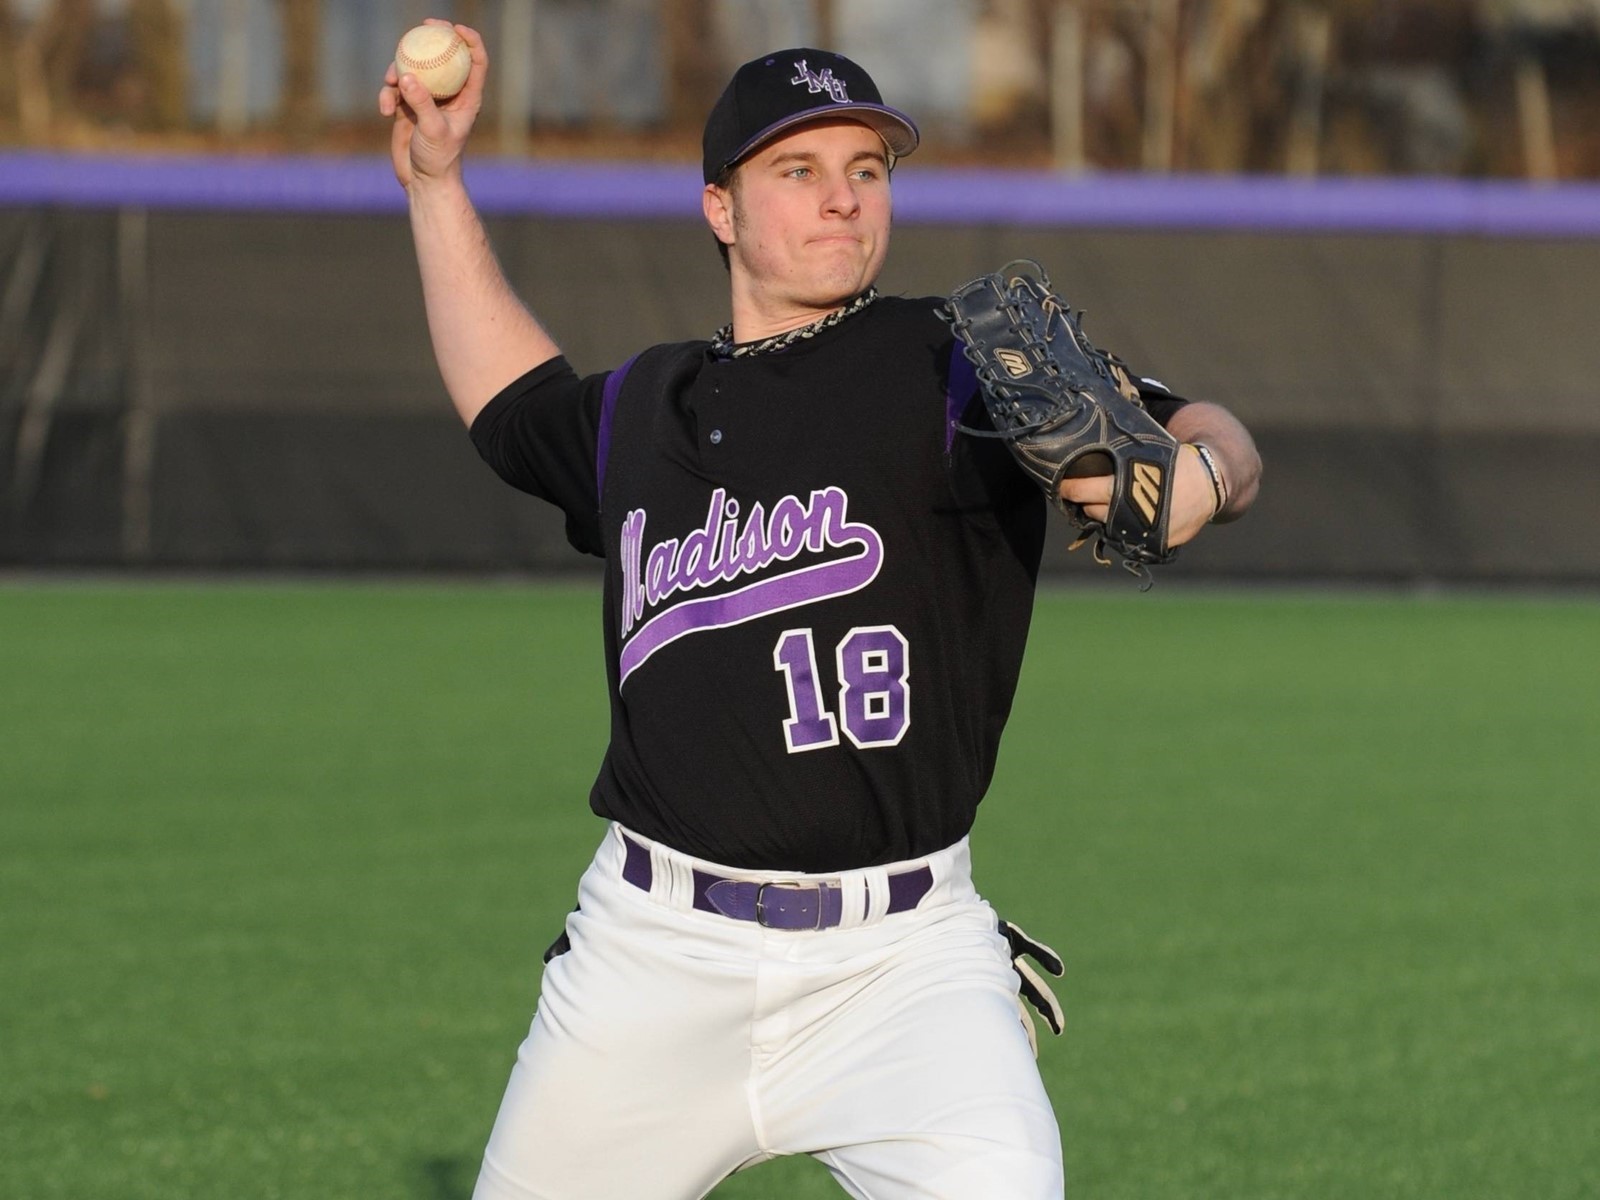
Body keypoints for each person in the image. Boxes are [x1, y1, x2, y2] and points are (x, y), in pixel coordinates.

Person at [381, 23, 1260, 1200]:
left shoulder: (959, 366)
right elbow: (510, 406)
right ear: (721, 208)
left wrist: (1198, 474)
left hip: (904, 971)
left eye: (867, 169)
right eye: (797, 169)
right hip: (651, 959)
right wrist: (434, 182)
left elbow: (1210, 436)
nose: (842, 197)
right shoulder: (645, 407)